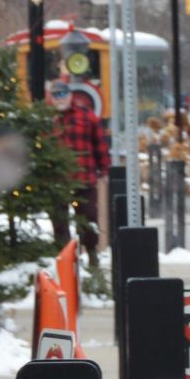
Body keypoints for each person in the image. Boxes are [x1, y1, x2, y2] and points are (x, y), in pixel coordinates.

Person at [51, 80, 109, 262]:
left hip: (84, 177)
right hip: (57, 181)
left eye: (62, 94)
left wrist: (104, 169)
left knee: (89, 219)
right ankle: (66, 260)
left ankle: (92, 257)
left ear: (70, 95)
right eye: (55, 95)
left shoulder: (87, 116)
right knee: (59, 223)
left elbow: (99, 143)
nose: (59, 99)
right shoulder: (47, 119)